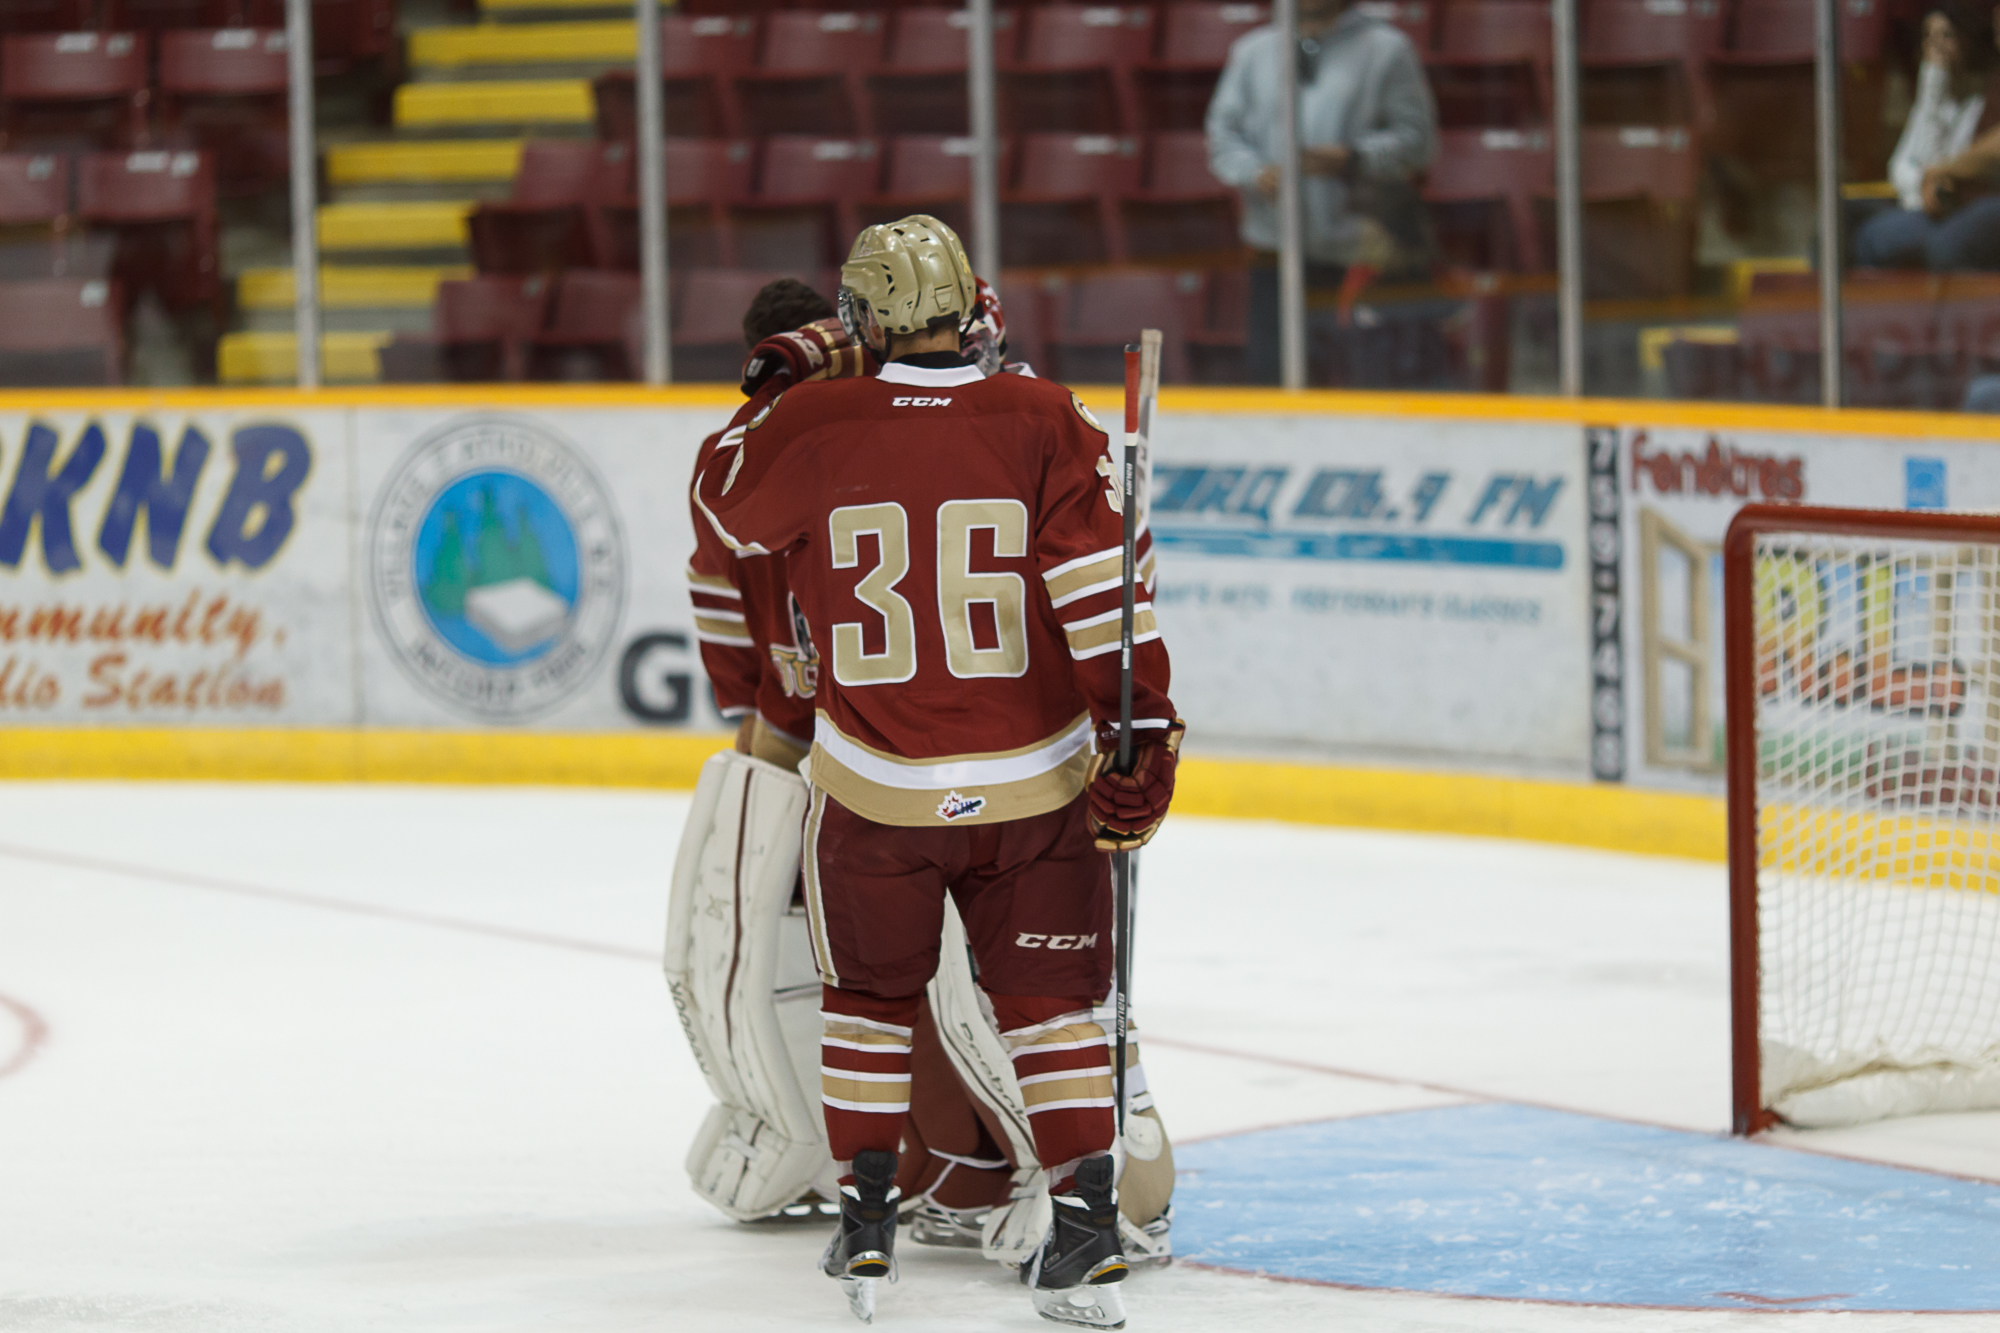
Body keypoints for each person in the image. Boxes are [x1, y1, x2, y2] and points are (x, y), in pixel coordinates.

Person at [692, 215, 1184, 1328]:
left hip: (875, 793)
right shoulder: (1043, 415)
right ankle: (1086, 1230)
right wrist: (1144, 737)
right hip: (1033, 789)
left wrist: (775, 386)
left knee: (866, 1004)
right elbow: (1108, 598)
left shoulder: (816, 420)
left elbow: (721, 504)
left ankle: (866, 1235)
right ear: (973, 306)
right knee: (1054, 1011)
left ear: (863, 318)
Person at [1204, 0, 1438, 383]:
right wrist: (1254, 172)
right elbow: (1223, 135)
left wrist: (1354, 159)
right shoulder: (1253, 51)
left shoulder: (1387, 49)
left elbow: (1418, 142)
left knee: (1362, 387)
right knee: (1272, 380)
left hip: (1360, 255)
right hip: (1275, 251)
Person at [1853, 3, 1996, 270]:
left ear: (1966, 41)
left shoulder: (1977, 105)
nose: (1936, 48)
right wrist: (1932, 84)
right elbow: (1898, 167)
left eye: (1946, 36)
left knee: (1872, 237)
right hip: (1914, 202)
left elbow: (1940, 164)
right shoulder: (1929, 100)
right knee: (1842, 216)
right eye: (1928, 37)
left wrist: (1934, 80)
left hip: (1943, 208)